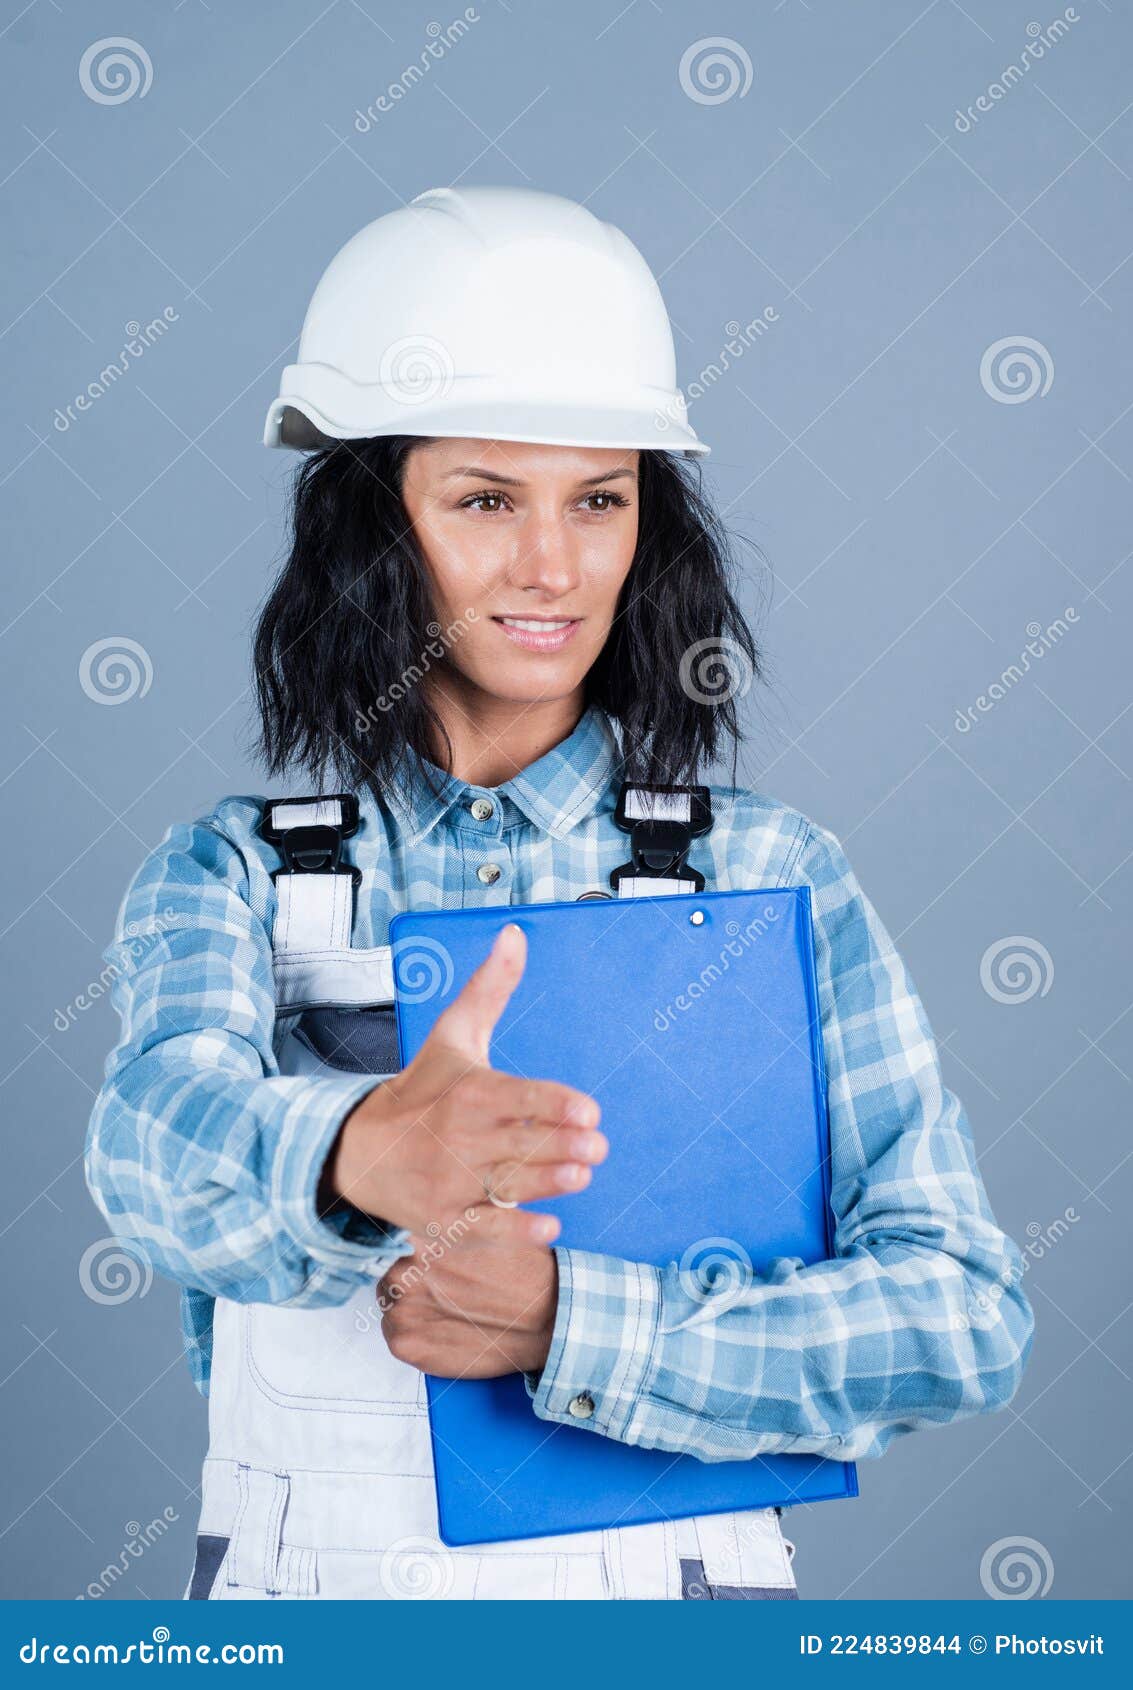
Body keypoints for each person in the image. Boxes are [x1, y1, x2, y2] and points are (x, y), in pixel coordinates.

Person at [85, 186, 1033, 1602]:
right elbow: (149, 1160)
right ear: (372, 530)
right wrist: (358, 1154)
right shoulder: (232, 874)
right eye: (482, 500)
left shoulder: (771, 875)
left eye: (599, 499)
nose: (551, 564)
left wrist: (576, 1326)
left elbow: (957, 1317)